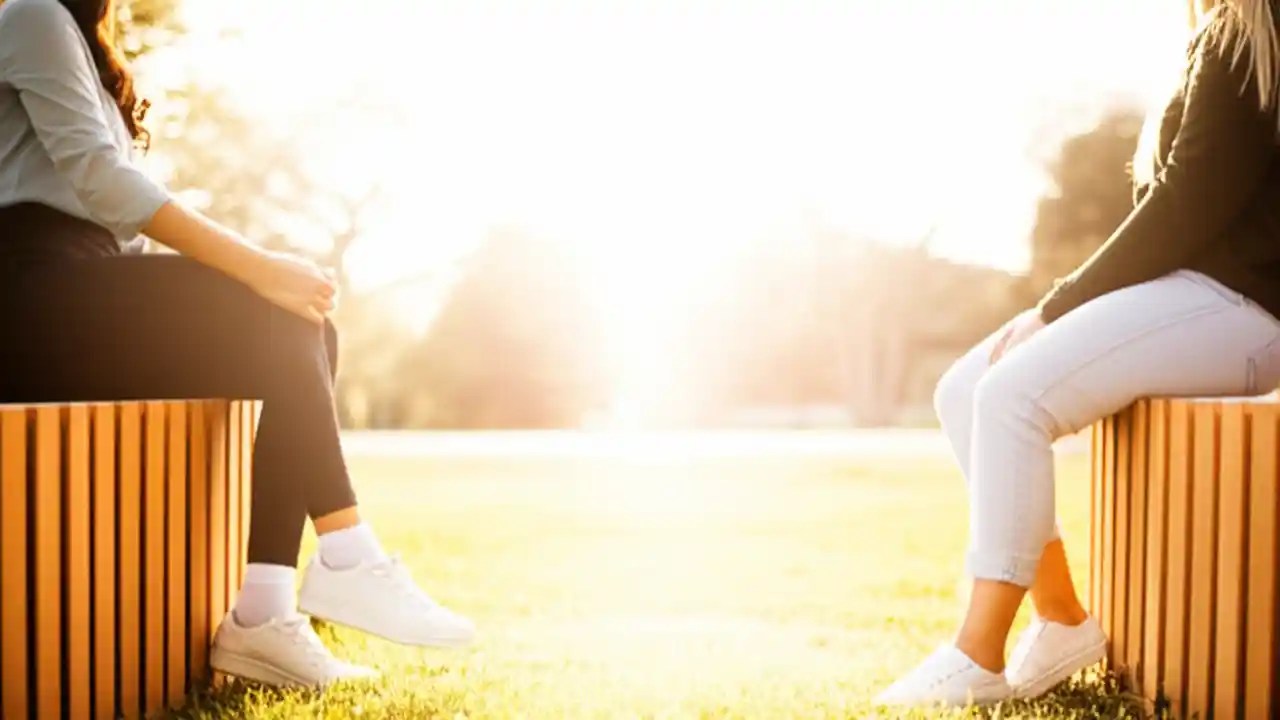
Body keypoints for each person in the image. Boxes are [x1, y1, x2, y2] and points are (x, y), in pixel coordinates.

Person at [0, 0, 474, 688]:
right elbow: (101, 179)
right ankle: (344, 556)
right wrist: (255, 266)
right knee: (275, 303)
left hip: (84, 279)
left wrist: (257, 281)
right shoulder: (33, 14)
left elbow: (116, 215)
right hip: (27, 292)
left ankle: (266, 612)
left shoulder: (86, 44)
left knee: (303, 321)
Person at [877, 0, 1280, 707]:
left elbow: (1188, 204)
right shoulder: (1217, 37)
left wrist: (1057, 305)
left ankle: (978, 654)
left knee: (1011, 396)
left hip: (1246, 310)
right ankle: (1062, 621)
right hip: (1201, 297)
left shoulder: (1252, 33)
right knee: (966, 388)